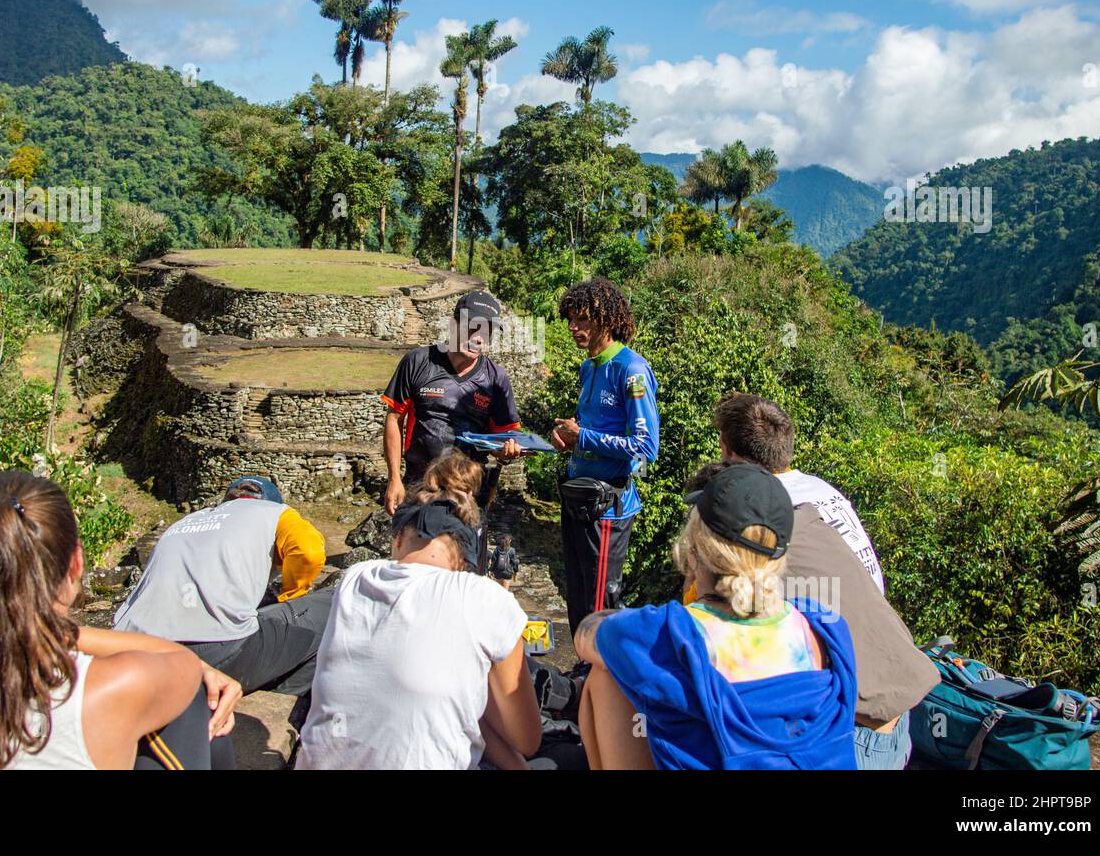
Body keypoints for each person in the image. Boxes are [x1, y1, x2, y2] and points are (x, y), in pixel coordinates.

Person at [0, 471, 239, 770]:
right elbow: (184, 664)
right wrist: (51, 630)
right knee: (200, 709)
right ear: (76, 563)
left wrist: (32, 626)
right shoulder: (107, 687)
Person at [574, 464, 857, 770]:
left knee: (607, 677)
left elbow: (585, 637)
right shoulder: (826, 628)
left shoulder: (671, 636)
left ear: (695, 545)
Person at [683, 460, 938, 769]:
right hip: (900, 721)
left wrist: (695, 571)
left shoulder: (748, 567)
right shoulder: (806, 522)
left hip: (854, 734)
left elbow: (697, 647)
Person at [298, 491, 541, 769]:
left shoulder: (355, 579)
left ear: (398, 538)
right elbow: (527, 739)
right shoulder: (484, 597)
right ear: (464, 560)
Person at [114, 475, 331, 697]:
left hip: (133, 652)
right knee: (334, 610)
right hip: (217, 648)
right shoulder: (275, 513)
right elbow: (309, 552)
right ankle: (277, 703)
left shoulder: (183, 523)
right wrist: (291, 593)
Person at [551, 277, 660, 635]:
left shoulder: (632, 371)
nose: (573, 327)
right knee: (578, 595)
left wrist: (583, 436)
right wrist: (568, 438)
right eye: (570, 319)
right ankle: (581, 675)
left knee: (600, 606)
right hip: (576, 498)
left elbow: (645, 447)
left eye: (582, 319)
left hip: (608, 508)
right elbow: (589, 430)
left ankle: (600, 680)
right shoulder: (588, 368)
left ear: (607, 321)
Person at [714, 393, 884, 591]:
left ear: (728, 451)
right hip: (875, 612)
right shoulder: (821, 487)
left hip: (826, 617)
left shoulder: (757, 506)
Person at [381, 290, 522, 515]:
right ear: (453, 324)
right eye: (472, 327)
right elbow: (394, 418)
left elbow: (504, 438)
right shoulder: (418, 361)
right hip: (417, 487)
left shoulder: (496, 379)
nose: (478, 338)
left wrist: (506, 452)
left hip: (467, 497)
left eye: (486, 332)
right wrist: (394, 478)